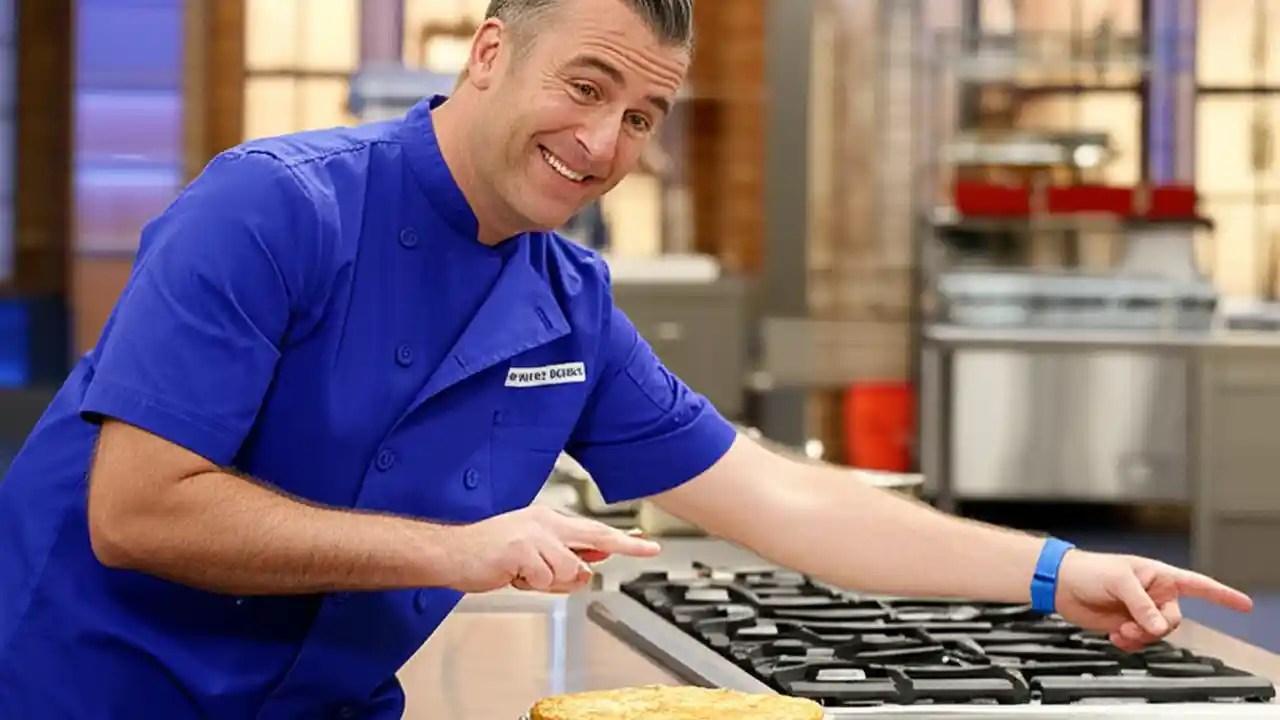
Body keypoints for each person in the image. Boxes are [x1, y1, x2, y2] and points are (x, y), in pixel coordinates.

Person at [0, 0, 1254, 717]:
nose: (603, 143)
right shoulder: (273, 208)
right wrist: (456, 551)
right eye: (584, 85)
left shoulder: (566, 303)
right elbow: (139, 510)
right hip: (91, 694)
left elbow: (775, 494)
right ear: (488, 53)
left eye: (641, 115)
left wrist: (1051, 569)